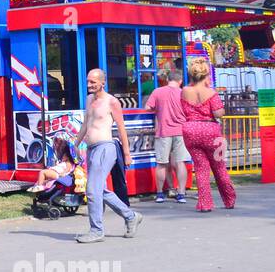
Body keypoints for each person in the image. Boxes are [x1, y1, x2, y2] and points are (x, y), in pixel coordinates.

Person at [74, 69, 143, 243]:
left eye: (93, 82)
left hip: (106, 148)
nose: (89, 85)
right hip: (91, 149)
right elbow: (86, 124)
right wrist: (76, 143)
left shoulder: (112, 102)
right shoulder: (89, 99)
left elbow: (121, 129)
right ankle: (131, 216)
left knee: (92, 190)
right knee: (98, 189)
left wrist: (127, 153)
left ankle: (96, 230)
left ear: (102, 83)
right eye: (88, 81)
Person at [180, 57, 237, 212]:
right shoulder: (211, 92)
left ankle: (205, 204)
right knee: (219, 167)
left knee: (201, 168)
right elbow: (218, 113)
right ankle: (229, 199)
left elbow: (183, 110)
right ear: (205, 76)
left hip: (190, 131)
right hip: (211, 132)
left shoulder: (185, 91)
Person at [144, 68, 190, 204]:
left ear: (168, 79)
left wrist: (159, 108)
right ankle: (181, 194)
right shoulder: (184, 93)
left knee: (162, 164)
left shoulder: (158, 92)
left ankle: (159, 194)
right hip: (181, 131)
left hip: (163, 131)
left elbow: (147, 107)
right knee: (181, 163)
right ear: (180, 81)